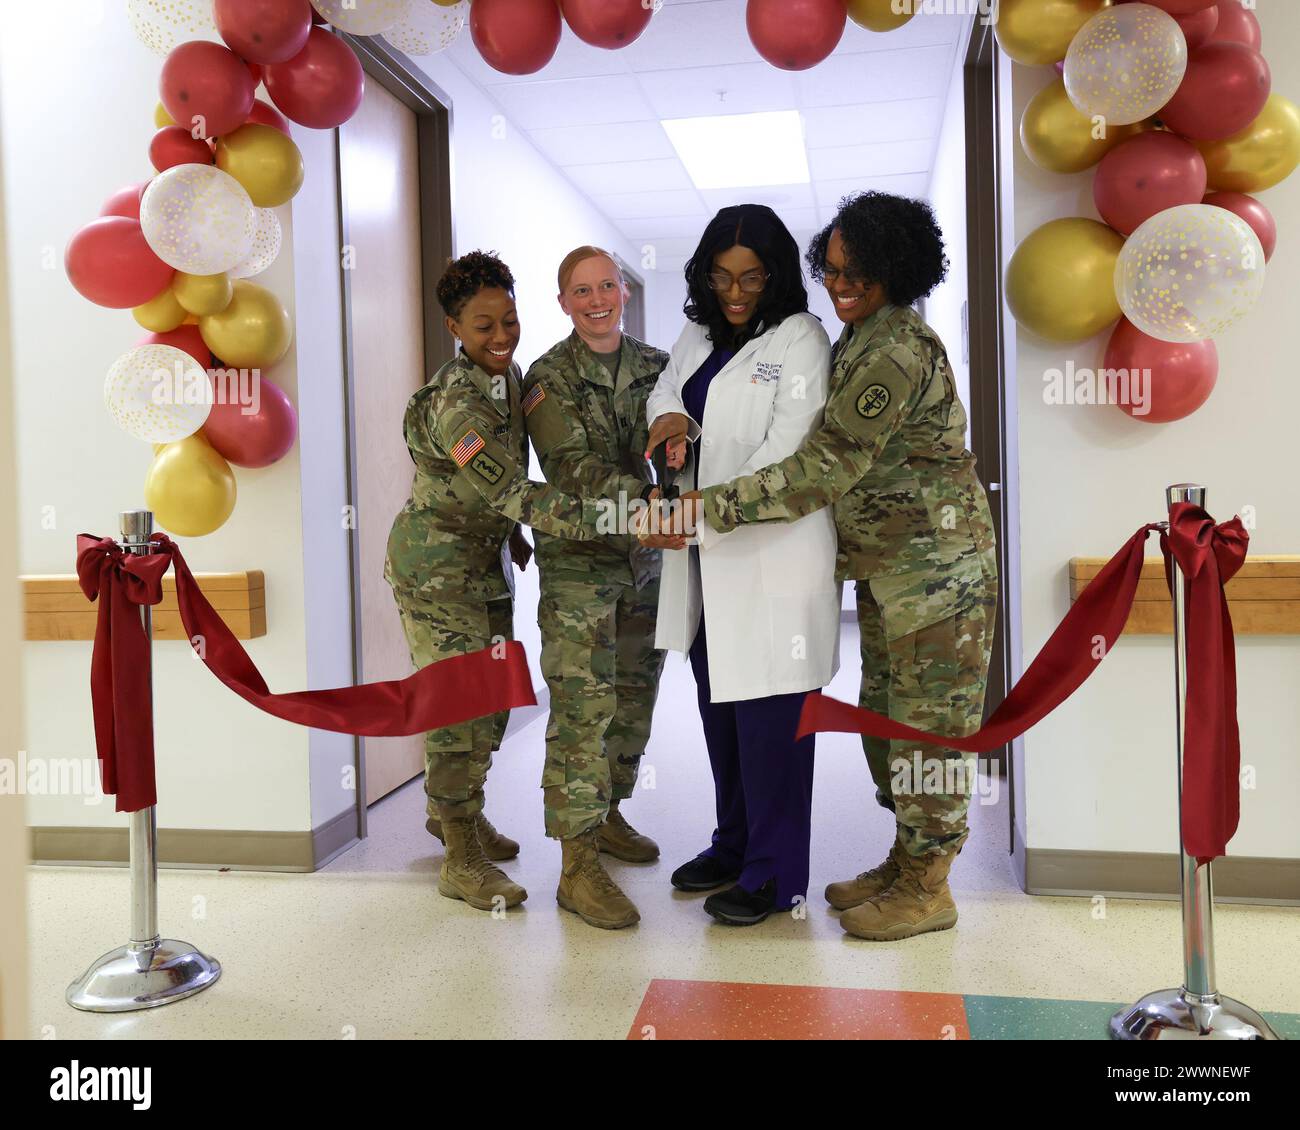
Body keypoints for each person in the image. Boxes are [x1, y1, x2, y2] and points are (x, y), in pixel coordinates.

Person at [671, 192, 998, 942]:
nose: (841, 284)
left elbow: (822, 467)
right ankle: (904, 862)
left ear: (900, 270)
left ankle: (929, 886)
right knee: (890, 728)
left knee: (929, 736)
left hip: (936, 575)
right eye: (834, 269)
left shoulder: (892, 349)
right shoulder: (858, 337)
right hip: (892, 577)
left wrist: (704, 509)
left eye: (860, 272)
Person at [384, 250, 605, 916]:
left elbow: (490, 494)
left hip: (480, 563)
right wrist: (611, 519)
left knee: (497, 701)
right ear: (455, 327)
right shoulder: (457, 403)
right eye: (484, 327)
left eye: (509, 319)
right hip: (435, 570)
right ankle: (460, 855)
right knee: (460, 712)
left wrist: (506, 534)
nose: (502, 336)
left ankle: (458, 814)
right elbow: (508, 487)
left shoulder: (506, 382)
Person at [641, 204, 840, 926]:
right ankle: (733, 846)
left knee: (772, 727)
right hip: (704, 567)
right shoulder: (697, 333)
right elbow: (667, 388)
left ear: (777, 275)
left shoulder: (801, 339)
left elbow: (787, 453)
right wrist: (667, 419)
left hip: (771, 561)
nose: (735, 291)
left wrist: (695, 510)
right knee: (722, 718)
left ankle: (775, 875)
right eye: (722, 277)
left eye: (752, 277)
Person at [520, 247, 669, 931]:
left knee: (634, 696)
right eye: (581, 290)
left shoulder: (660, 367)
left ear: (624, 292)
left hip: (646, 564)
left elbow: (684, 445)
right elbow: (573, 469)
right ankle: (576, 869)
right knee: (583, 707)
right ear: (564, 302)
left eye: (606, 285)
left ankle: (609, 816)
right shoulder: (548, 378)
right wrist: (653, 503)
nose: (597, 299)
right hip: (581, 564)